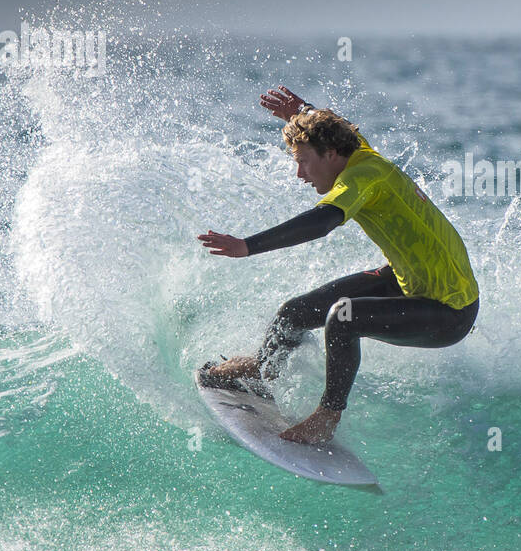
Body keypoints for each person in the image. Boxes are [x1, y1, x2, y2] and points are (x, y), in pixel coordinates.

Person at [196, 85, 480, 444]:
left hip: (449, 308)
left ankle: (326, 419)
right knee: (293, 313)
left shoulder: (361, 177)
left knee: (343, 318)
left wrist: (247, 246)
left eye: (303, 162)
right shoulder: (354, 150)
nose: (300, 174)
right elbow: (339, 128)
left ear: (330, 155)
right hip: (411, 279)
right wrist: (303, 112)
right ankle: (260, 368)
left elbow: (322, 222)